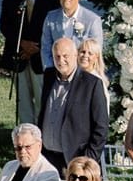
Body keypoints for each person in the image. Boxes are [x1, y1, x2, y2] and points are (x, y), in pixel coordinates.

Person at [0, 0, 57, 125]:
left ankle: (41, 136)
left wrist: (36, 47)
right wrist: (22, 43)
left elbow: (54, 26)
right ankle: (25, 133)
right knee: (22, 100)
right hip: (19, 54)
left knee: (41, 98)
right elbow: (5, 25)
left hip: (41, 56)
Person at [38, 36, 108, 172]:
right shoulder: (49, 76)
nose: (61, 61)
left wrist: (88, 160)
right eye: (56, 56)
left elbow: (101, 127)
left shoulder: (91, 84)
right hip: (46, 157)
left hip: (75, 159)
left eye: (65, 56)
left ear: (75, 55)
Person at [39, 0, 103, 69]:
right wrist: (50, 70)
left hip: (83, 73)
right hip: (57, 72)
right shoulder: (51, 18)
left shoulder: (92, 20)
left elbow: (95, 53)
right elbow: (46, 48)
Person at [77, 36, 110, 114]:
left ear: (96, 58)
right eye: (83, 52)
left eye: (90, 53)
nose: (85, 56)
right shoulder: (74, 77)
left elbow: (102, 112)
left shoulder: (97, 81)